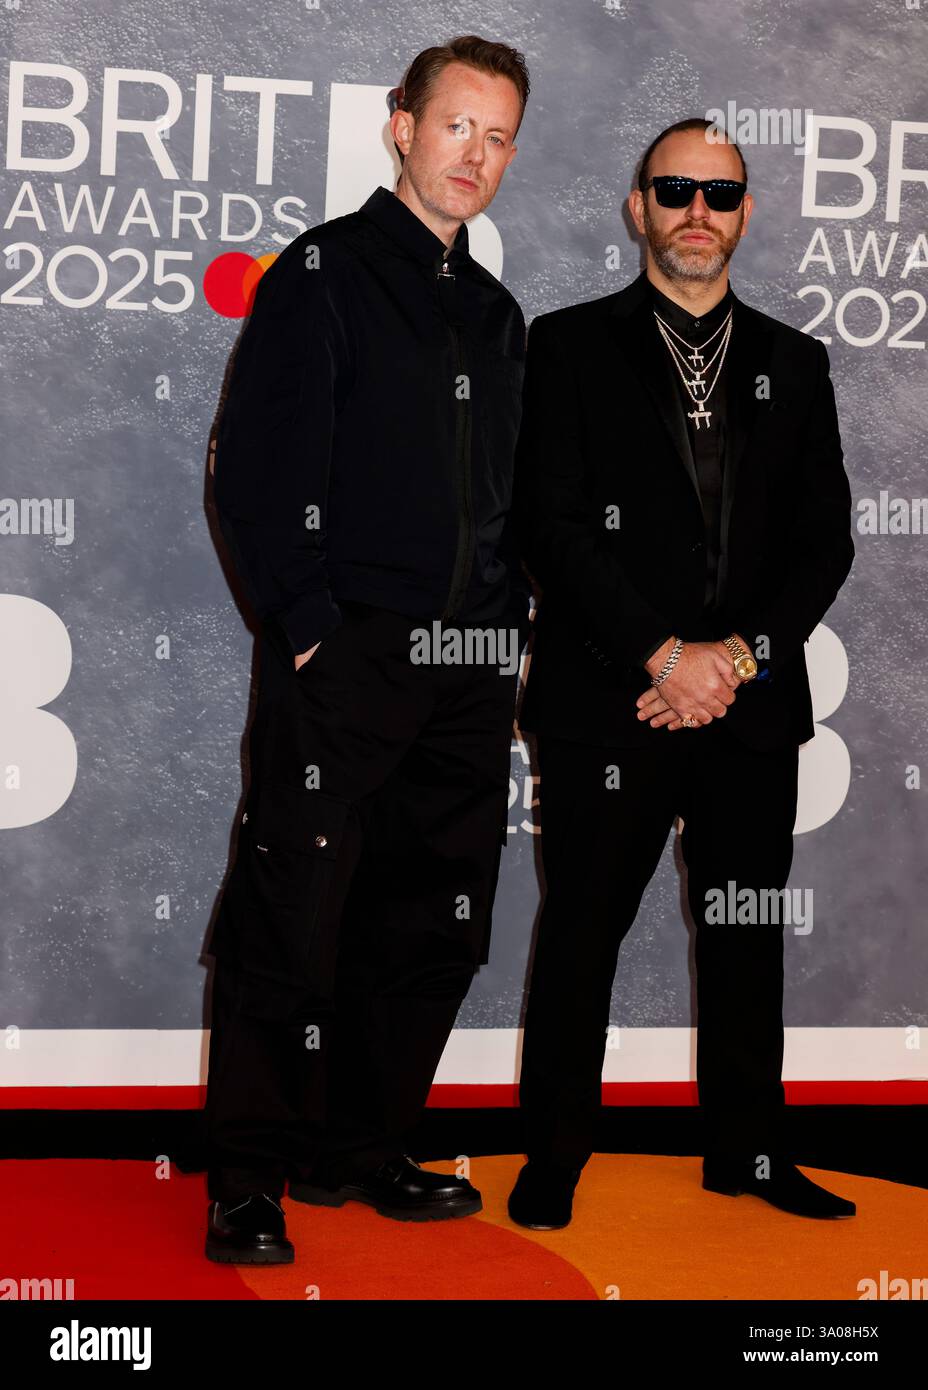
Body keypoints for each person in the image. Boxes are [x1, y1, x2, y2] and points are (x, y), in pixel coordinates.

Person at [204, 35, 531, 1263]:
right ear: (402, 126)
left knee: (429, 921)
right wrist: (306, 631)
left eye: (498, 137)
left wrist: (504, 647)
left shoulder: (498, 318)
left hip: (466, 673)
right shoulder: (324, 273)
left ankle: (361, 1144)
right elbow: (251, 465)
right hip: (345, 661)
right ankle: (246, 1176)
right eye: (457, 126)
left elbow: (502, 502)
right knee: (294, 909)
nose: (476, 155)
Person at [508, 118, 856, 1229]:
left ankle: (748, 1154)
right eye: (673, 190)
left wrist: (737, 661)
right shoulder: (564, 347)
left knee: (746, 929)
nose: (695, 212)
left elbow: (824, 543)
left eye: (718, 193)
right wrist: (664, 656)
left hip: (749, 708)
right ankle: (555, 1152)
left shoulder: (796, 365)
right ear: (636, 208)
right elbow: (549, 527)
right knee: (580, 932)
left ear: (744, 213)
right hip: (610, 696)